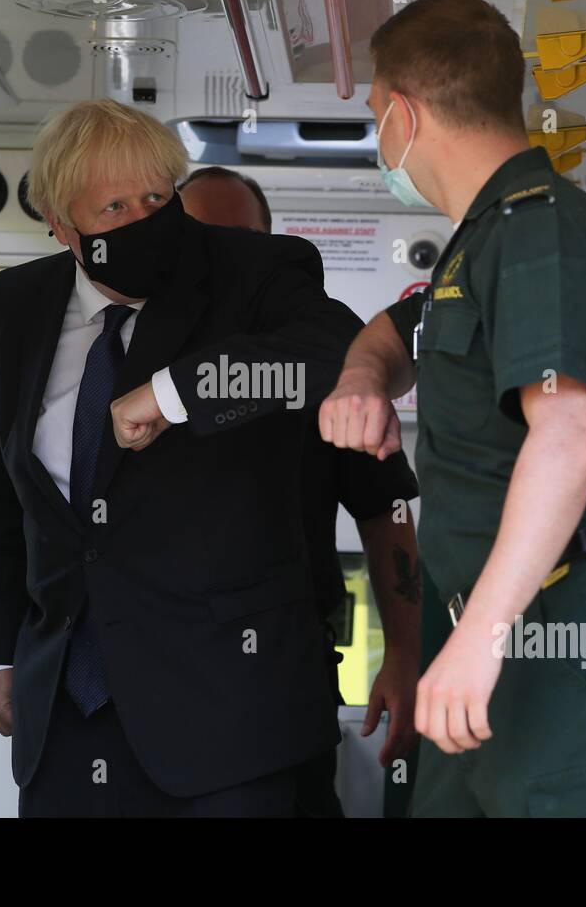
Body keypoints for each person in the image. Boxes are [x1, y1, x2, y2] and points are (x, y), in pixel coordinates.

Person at [318, 0, 586, 817]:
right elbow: (401, 330)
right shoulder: (482, 244)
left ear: (402, 113)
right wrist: (361, 379)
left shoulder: (541, 229)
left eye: (375, 117)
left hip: (573, 649)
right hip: (495, 647)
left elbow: (568, 432)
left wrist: (479, 639)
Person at [0, 98, 361, 817]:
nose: (143, 219)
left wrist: (176, 393)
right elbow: (1, 492)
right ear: (61, 225)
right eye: (113, 207)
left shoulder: (252, 273)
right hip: (66, 715)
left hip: (230, 719)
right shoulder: (16, 304)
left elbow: (338, 355)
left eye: (156, 197)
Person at [178, 166, 422, 817]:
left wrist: (404, 652)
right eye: (202, 238)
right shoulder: (133, 349)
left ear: (270, 245)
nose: (223, 257)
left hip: (284, 672)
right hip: (147, 671)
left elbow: (385, 506)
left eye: (242, 241)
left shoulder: (322, 347)